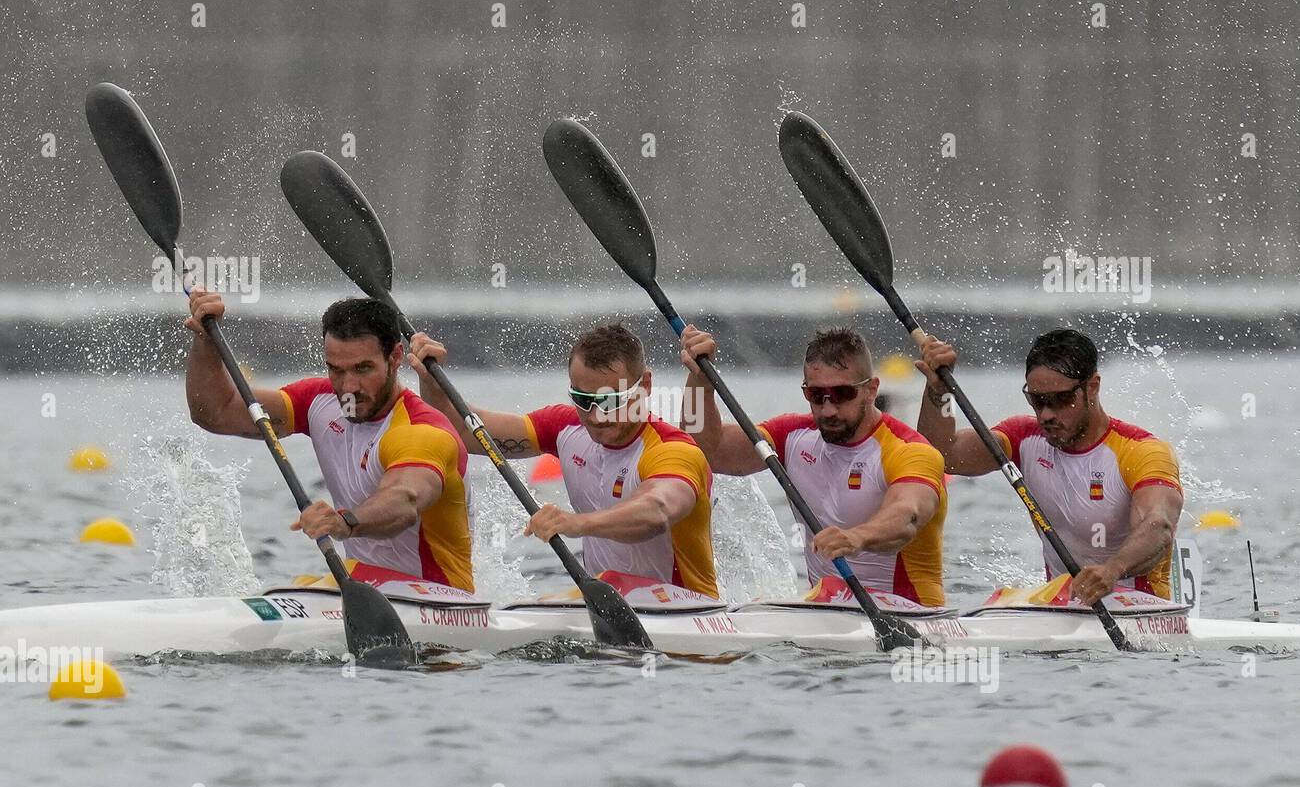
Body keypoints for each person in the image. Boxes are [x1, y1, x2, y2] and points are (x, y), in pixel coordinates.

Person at [184, 290, 474, 591]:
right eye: (336, 369)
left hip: (440, 599)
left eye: (363, 369)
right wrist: (206, 341)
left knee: (311, 587)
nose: (348, 387)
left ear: (395, 357)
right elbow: (216, 413)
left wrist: (344, 522)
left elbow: (405, 500)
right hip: (365, 585)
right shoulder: (319, 402)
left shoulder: (422, 430)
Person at [409, 323, 719, 598]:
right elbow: (463, 430)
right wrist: (430, 380)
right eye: (584, 401)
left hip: (683, 612)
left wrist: (576, 523)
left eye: (611, 401)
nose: (596, 417)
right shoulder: (564, 427)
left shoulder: (672, 451)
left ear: (645, 386)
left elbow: (657, 512)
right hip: (609, 601)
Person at [679, 325, 947, 606]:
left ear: (871, 390)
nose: (828, 409)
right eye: (817, 396)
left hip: (911, 616)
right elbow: (706, 451)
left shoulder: (910, 451)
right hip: (828, 611)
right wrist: (700, 383)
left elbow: (908, 517)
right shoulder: (792, 435)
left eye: (842, 394)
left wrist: (857, 537)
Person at [915, 328, 1182, 602]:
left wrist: (1112, 571)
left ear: (1092, 387)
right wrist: (939, 391)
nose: (1047, 415)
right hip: (1064, 608)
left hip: (1141, 609)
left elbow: (1158, 525)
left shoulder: (1142, 452)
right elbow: (943, 456)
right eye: (1037, 401)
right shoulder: (1023, 437)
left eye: (1061, 400)